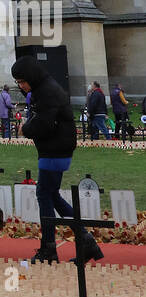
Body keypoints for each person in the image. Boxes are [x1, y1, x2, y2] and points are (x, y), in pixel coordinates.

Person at [11, 55, 103, 265]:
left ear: (31, 77)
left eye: (22, 81)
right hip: (55, 149)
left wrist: (25, 128)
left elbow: (45, 124)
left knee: (44, 193)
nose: (21, 86)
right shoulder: (44, 88)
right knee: (51, 195)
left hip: (55, 150)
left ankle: (49, 247)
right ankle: (85, 240)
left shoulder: (46, 91)